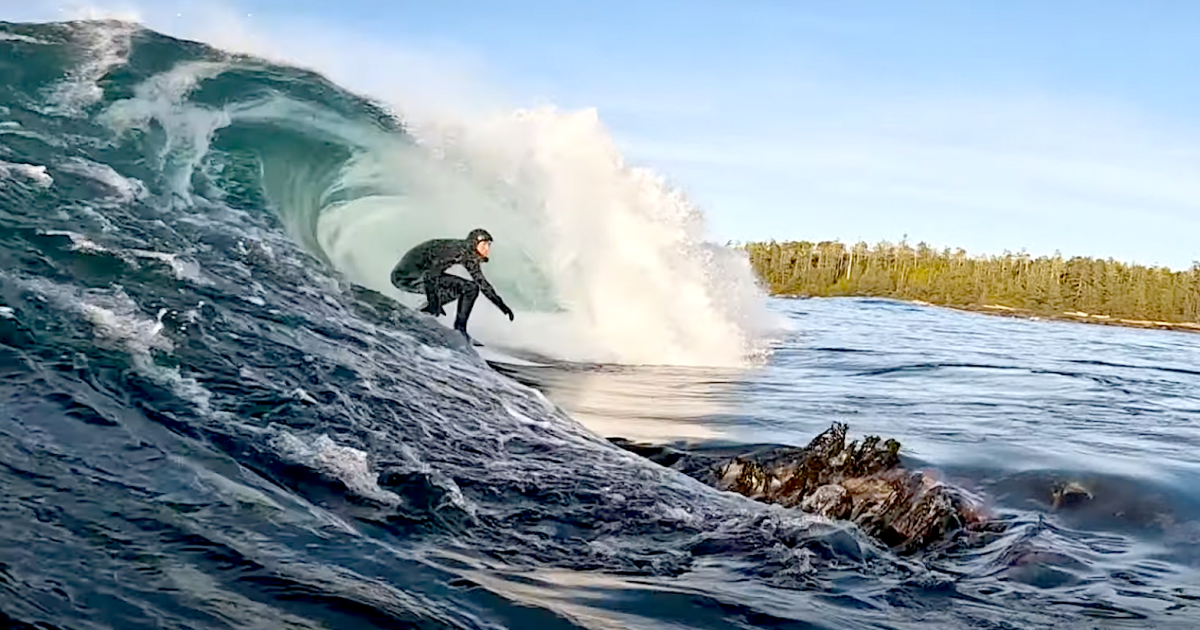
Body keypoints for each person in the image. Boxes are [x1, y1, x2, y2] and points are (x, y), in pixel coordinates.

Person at [390, 228, 514, 342]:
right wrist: (434, 303)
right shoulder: (456, 251)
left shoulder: (468, 254)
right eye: (484, 245)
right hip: (405, 276)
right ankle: (459, 330)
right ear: (474, 244)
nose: (487, 249)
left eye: (489, 245)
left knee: (461, 290)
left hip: (415, 277)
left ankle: (420, 315)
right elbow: (429, 276)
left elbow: (482, 284)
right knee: (468, 288)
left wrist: (502, 306)